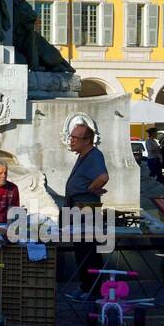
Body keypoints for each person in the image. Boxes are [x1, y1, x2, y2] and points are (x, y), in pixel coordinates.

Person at [65, 122, 108, 299]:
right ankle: (85, 287)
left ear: (88, 140)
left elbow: (103, 177)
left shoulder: (94, 155)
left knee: (88, 252)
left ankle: (93, 290)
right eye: (71, 137)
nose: (72, 140)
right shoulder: (84, 155)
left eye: (76, 138)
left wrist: (89, 189)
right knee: (81, 250)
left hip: (86, 211)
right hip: (79, 210)